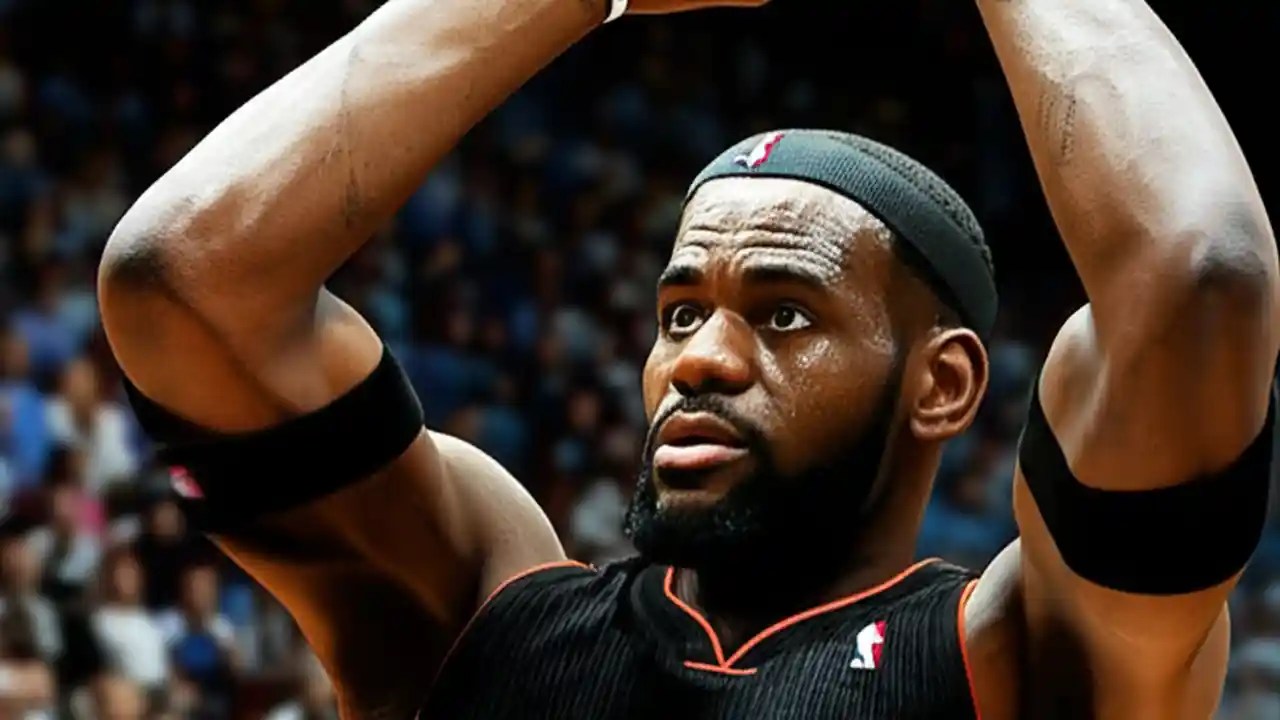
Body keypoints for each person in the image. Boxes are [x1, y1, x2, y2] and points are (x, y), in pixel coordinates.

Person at [96, 0, 1279, 718]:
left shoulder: (1021, 661)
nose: (699, 361)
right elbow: (184, 281)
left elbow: (1196, 280)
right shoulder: (476, 615)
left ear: (943, 383)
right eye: (676, 313)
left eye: (782, 317)